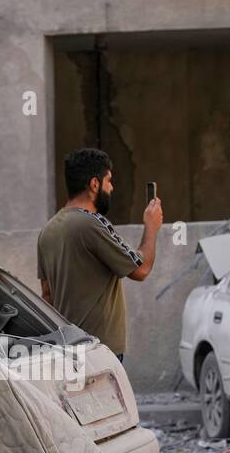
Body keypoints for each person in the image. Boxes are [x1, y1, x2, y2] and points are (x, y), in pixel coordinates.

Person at [36, 148, 162, 364]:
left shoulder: (47, 230)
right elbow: (141, 269)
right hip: (100, 352)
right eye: (109, 181)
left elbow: (47, 296)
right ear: (94, 184)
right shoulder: (92, 224)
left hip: (67, 350)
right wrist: (152, 226)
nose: (111, 188)